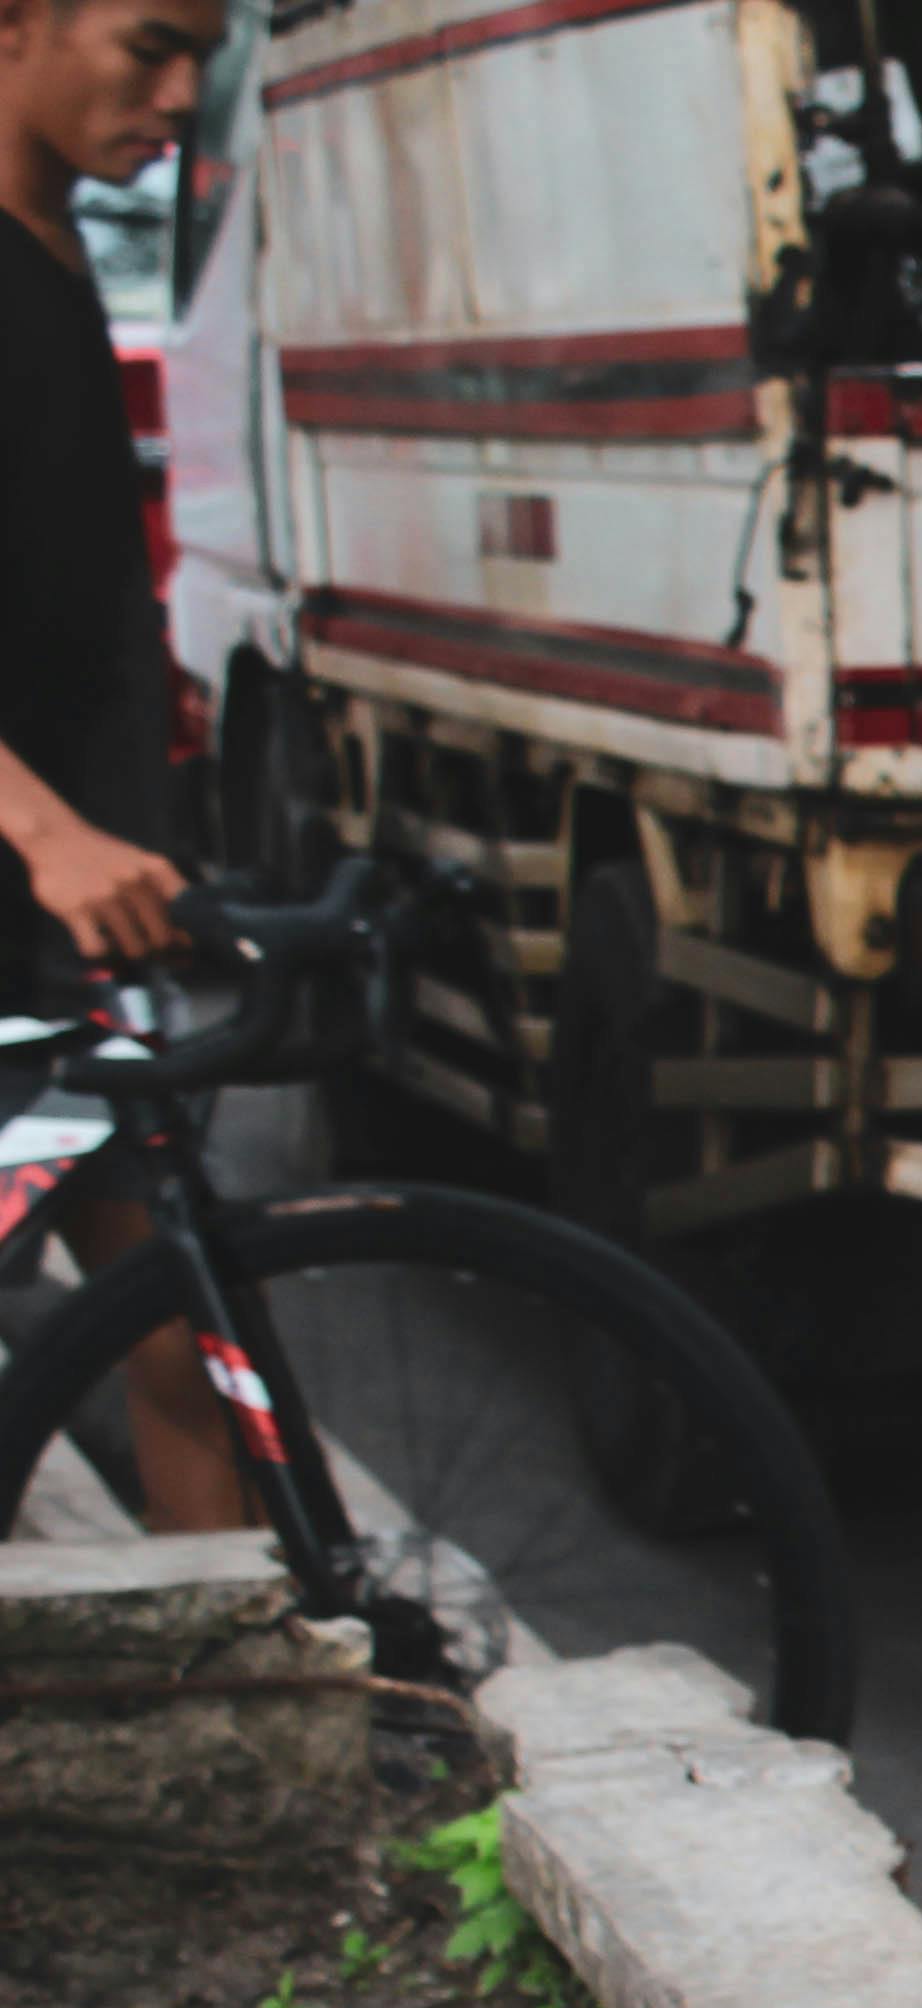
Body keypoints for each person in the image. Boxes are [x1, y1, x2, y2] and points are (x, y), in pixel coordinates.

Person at [3, 0, 241, 1529]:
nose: (175, 98)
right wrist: (45, 830)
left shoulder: (56, 246)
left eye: (199, 65)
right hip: (35, 887)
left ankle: (256, 1719)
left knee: (184, 1342)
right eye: (147, 45)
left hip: (64, 931)